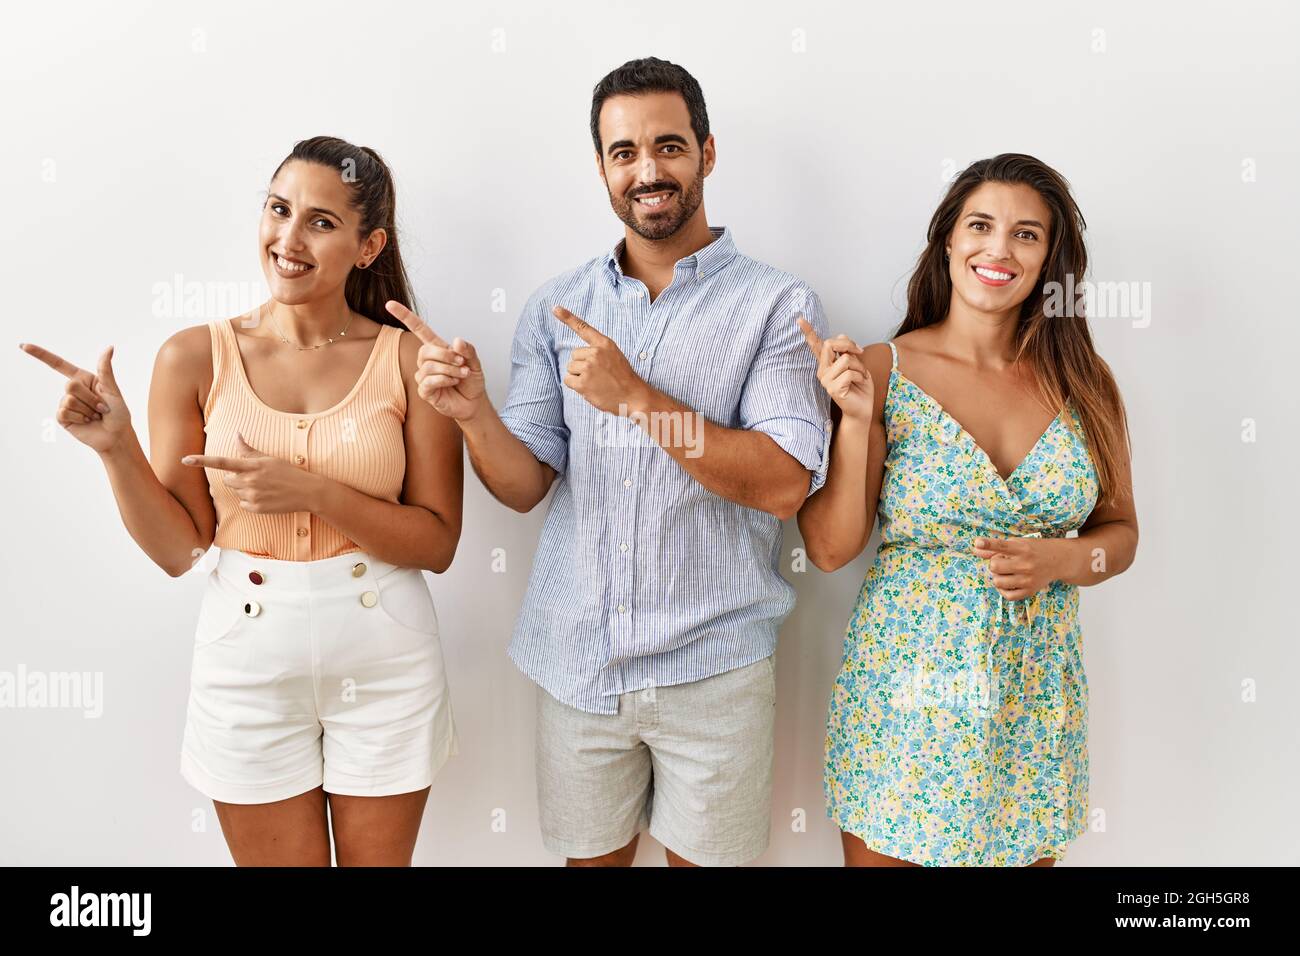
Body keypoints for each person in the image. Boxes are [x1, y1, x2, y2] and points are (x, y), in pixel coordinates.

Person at [390, 57, 831, 866]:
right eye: (624, 152)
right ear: (601, 167)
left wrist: (636, 399)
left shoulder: (778, 304)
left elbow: (780, 483)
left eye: (668, 146)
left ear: (706, 151)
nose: (648, 171)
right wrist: (471, 414)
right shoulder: (557, 307)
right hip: (577, 665)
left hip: (716, 671)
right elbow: (523, 487)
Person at [19, 135, 463, 866]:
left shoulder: (411, 360)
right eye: (279, 209)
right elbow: (179, 551)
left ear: (366, 244)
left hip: (385, 655)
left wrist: (315, 493)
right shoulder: (193, 356)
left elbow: (439, 544)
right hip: (248, 657)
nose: (288, 239)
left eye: (321, 222)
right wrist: (115, 449)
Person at [798, 153, 1139, 866]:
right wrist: (857, 421)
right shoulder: (884, 367)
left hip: (1034, 693)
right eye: (980, 225)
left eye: (1026, 234)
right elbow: (829, 549)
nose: (998, 248)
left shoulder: (1086, 381)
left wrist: (1062, 559)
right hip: (906, 688)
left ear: (1050, 258)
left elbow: (1121, 533)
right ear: (948, 241)